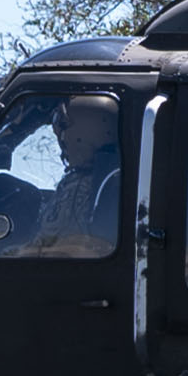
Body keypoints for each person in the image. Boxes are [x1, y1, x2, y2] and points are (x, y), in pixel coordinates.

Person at [44, 95, 128, 256]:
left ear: (87, 132)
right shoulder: (90, 181)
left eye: (65, 130)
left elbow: (93, 246)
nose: (62, 140)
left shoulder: (107, 185)